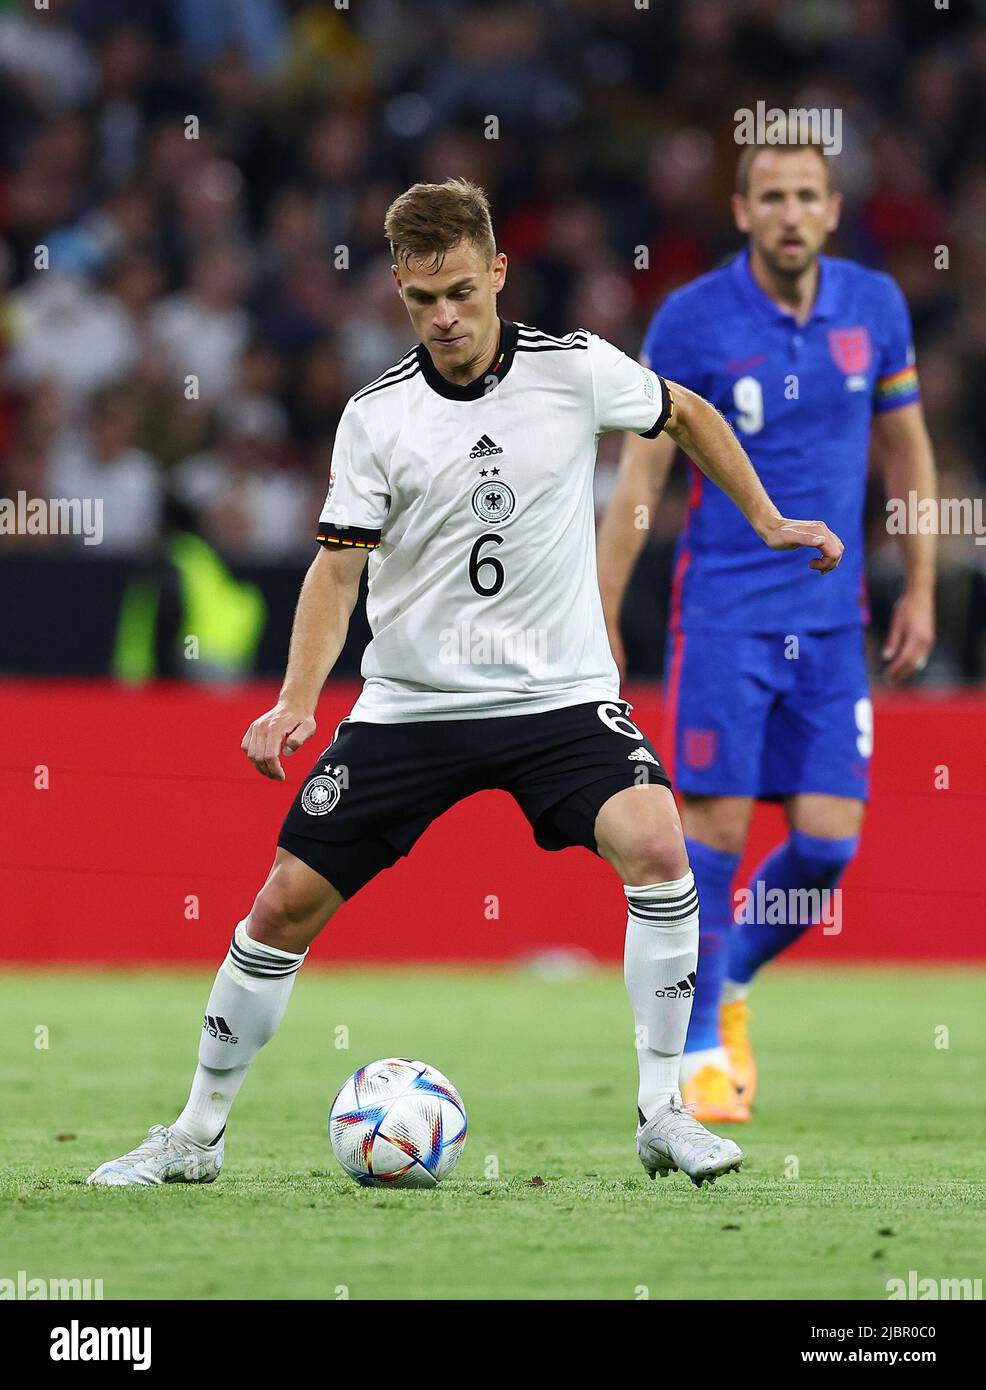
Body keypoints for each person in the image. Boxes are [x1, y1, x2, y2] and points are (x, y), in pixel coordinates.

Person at [88, 177, 842, 1189]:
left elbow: (686, 414)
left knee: (658, 844)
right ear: (398, 290)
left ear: (496, 272)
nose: (442, 317)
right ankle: (193, 1134)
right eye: (419, 299)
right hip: (412, 706)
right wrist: (297, 698)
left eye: (458, 292)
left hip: (560, 700)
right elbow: (337, 566)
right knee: (278, 907)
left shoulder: (573, 370)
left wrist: (769, 519)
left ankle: (664, 1109)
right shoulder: (376, 415)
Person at [597, 138, 936, 1123]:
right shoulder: (692, 319)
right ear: (740, 212)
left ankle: (730, 973)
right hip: (723, 617)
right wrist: (604, 606)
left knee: (828, 844)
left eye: (806, 196)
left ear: (831, 210)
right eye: (769, 197)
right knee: (715, 828)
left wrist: (916, 582)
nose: (789, 212)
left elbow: (906, 451)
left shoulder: (873, 308)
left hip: (832, 623)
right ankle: (700, 1043)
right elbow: (642, 477)